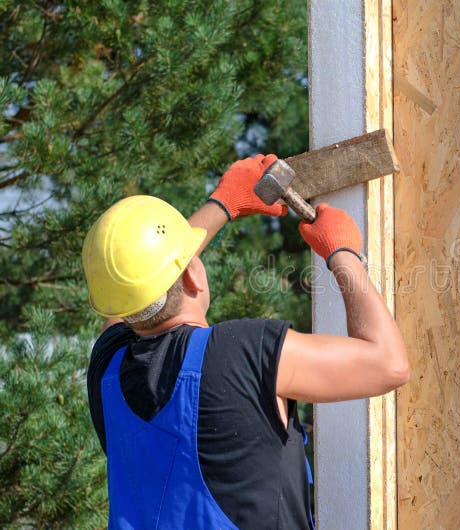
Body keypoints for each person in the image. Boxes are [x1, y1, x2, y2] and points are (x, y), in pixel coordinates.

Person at [82, 154, 409, 530]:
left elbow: (129, 298)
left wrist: (225, 202)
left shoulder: (107, 371)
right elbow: (388, 364)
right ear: (193, 275)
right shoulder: (238, 354)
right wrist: (344, 254)